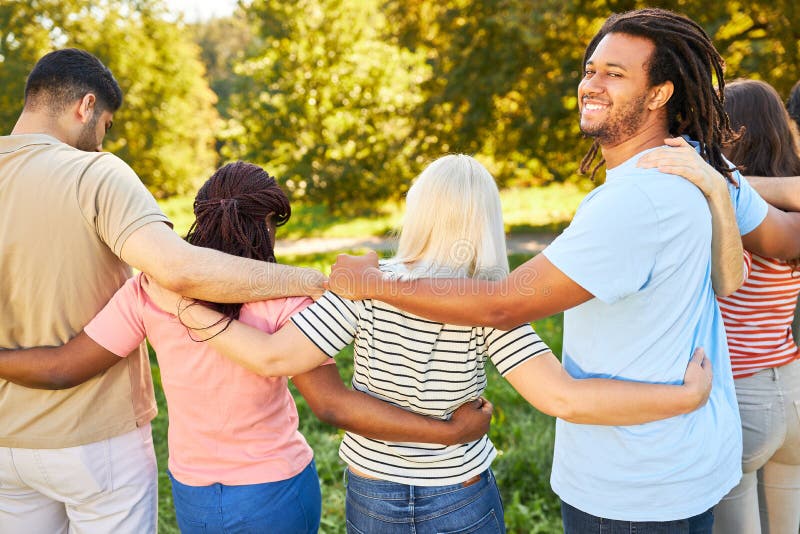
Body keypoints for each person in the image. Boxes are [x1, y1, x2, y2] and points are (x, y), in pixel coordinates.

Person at [323, 8, 800, 532]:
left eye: (615, 74)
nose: (591, 84)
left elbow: (502, 303)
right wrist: (729, 184)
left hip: (630, 483)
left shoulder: (633, 202)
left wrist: (371, 282)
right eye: (591, 70)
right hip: (691, 461)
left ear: (661, 93)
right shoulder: (698, 161)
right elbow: (777, 245)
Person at [144, 154, 715, 533]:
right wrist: (681, 398)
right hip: (458, 491)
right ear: (487, 219)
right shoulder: (489, 301)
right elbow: (562, 398)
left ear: (418, 209)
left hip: (372, 493)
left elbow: (273, 357)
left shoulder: (366, 286)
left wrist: (188, 305)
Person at [0, 160, 494, 533]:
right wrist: (447, 431)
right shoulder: (287, 297)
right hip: (275, 487)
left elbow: (62, 368)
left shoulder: (149, 291)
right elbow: (332, 403)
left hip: (192, 489)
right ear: (266, 225)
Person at [0, 47, 325, 533]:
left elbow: (64, 364)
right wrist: (313, 279)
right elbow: (180, 269)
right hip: (96, 442)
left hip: (7, 441)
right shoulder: (95, 173)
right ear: (86, 107)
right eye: (106, 126)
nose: (100, 142)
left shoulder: (140, 300)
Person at [704, 79, 800, 534]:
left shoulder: (733, 213)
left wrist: (721, 180)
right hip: (793, 390)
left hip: (742, 392)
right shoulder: (792, 212)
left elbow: (724, 283)